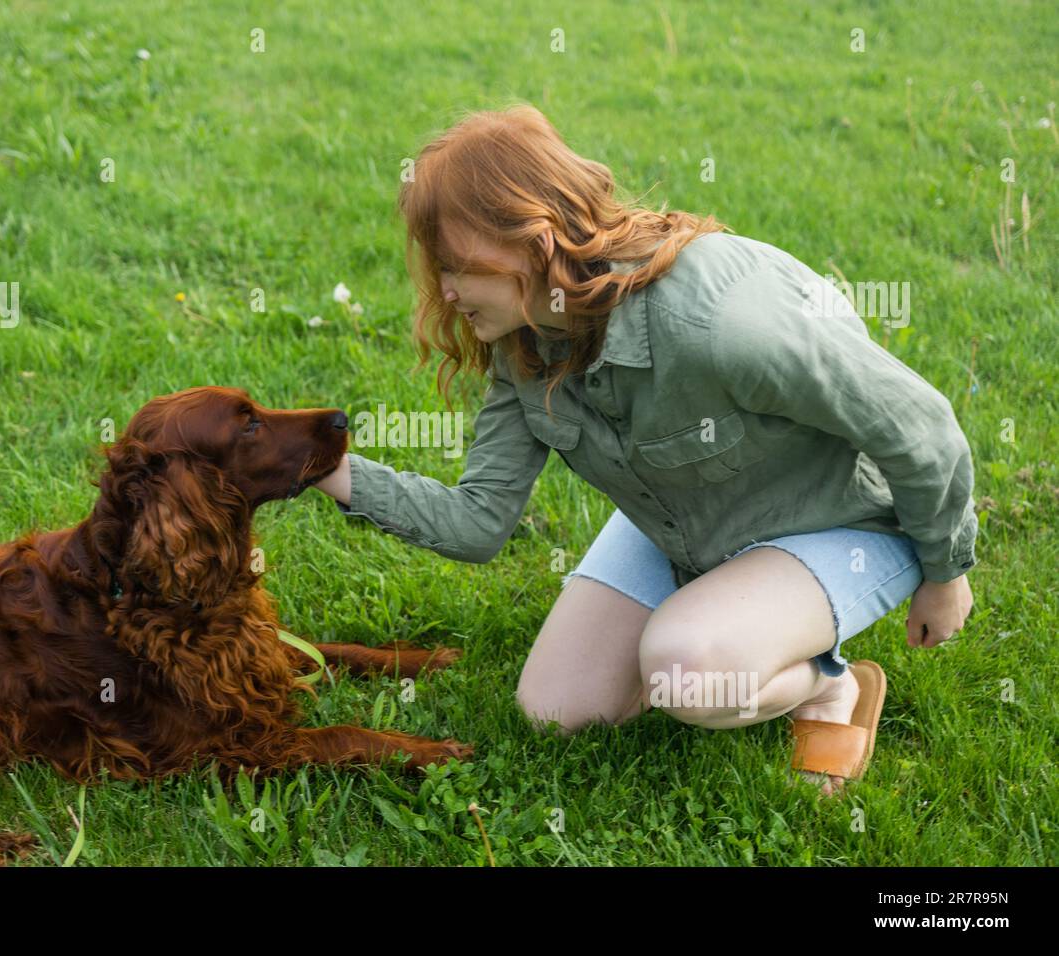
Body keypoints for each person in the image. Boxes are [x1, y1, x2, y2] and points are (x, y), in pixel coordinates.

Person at [313, 103, 977, 797]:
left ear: (532, 242)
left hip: (840, 520)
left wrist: (944, 570)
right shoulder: (522, 342)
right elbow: (480, 521)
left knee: (687, 672)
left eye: (456, 266)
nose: (444, 291)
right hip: (691, 522)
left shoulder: (721, 323)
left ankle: (827, 689)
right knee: (558, 712)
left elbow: (920, 424)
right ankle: (729, 625)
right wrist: (328, 470)